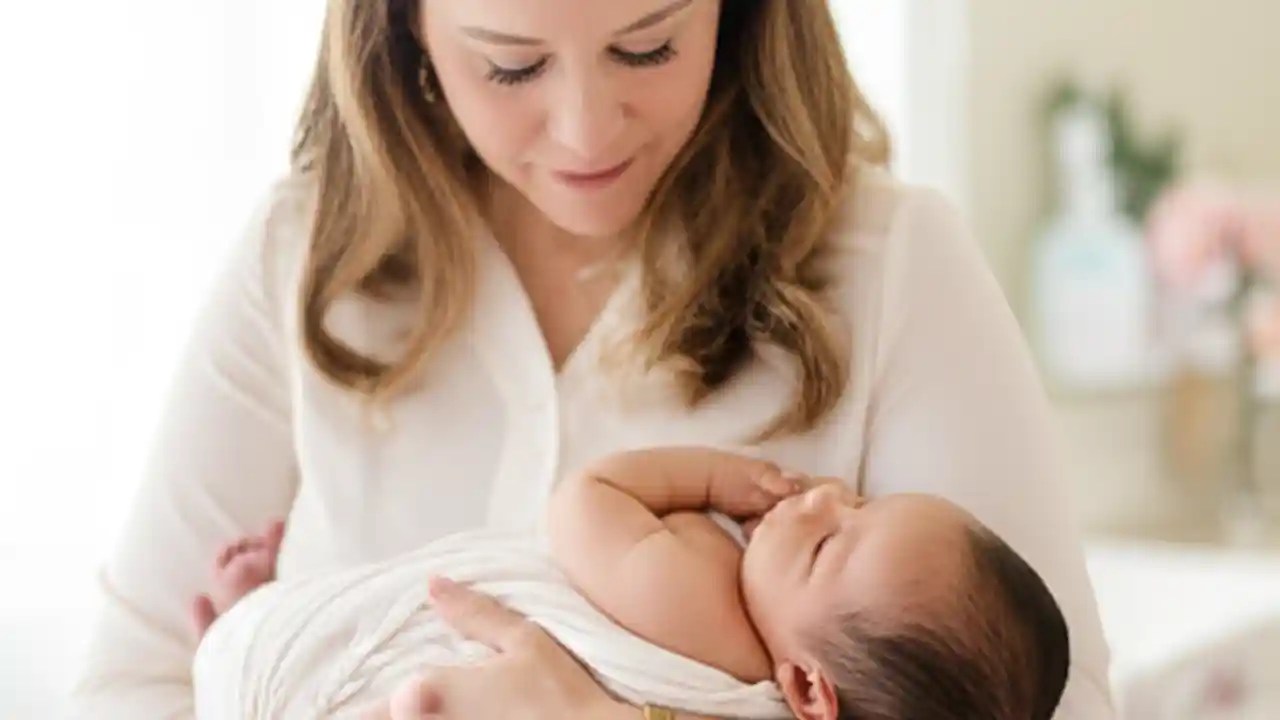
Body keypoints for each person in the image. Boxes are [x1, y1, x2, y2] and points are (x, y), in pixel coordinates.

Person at [69, 0, 1115, 717]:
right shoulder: (306, 260)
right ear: (405, 31)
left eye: (648, 47)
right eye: (511, 63)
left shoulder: (893, 270)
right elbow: (129, 686)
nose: (583, 130)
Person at [191, 448, 1070, 719]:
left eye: (826, 542)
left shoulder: (707, 617)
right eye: (860, 500)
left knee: (372, 632)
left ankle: (259, 624)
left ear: (807, 687)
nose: (824, 496)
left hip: (331, 680)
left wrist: (714, 481)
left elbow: (586, 504)